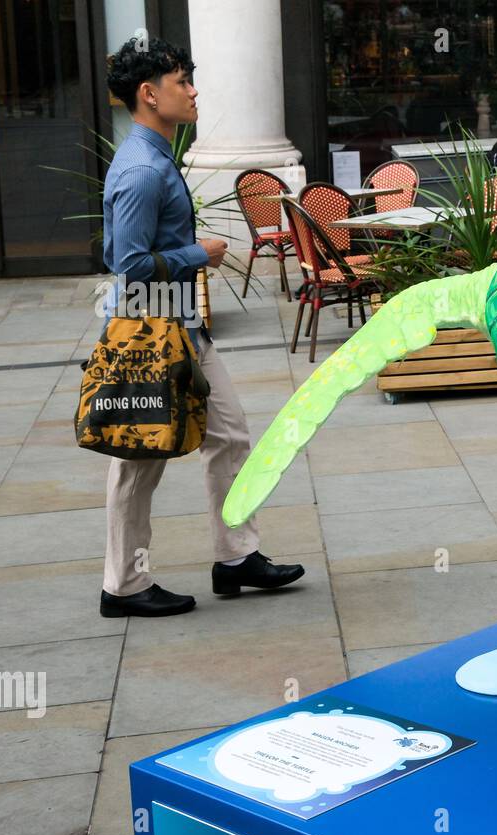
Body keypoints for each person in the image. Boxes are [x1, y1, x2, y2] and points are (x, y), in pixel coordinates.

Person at [98, 37, 304, 618]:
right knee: (139, 460)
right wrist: (197, 253)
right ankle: (124, 586)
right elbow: (126, 261)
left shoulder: (155, 155)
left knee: (231, 435)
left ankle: (236, 557)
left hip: (180, 326)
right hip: (150, 331)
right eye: (182, 81)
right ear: (149, 93)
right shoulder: (142, 168)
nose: (192, 91)